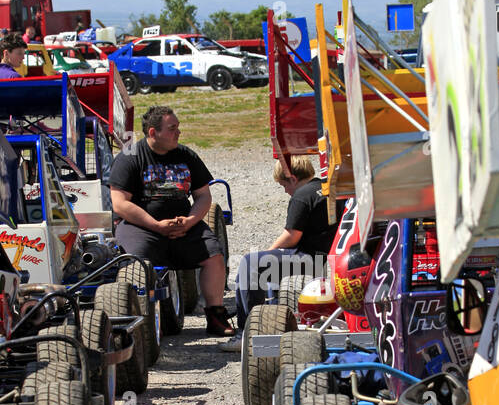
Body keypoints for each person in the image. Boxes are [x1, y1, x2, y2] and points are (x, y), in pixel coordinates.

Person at [108, 105, 234, 337]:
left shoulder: (185, 155)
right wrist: (156, 226)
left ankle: (215, 315)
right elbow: (120, 204)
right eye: (172, 128)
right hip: (140, 226)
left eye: (178, 127)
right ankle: (142, 328)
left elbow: (204, 195)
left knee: (214, 255)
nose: (178, 132)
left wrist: (189, 221)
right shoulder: (129, 156)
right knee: (135, 263)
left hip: (182, 224)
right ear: (153, 132)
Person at [224, 156, 337, 351]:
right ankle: (276, 318)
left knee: (251, 263)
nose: (286, 191)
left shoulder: (302, 196)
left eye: (284, 185)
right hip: (328, 255)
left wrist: (268, 252)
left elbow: (291, 236)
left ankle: (246, 332)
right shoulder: (327, 188)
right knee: (271, 268)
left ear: (292, 178)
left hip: (311, 259)